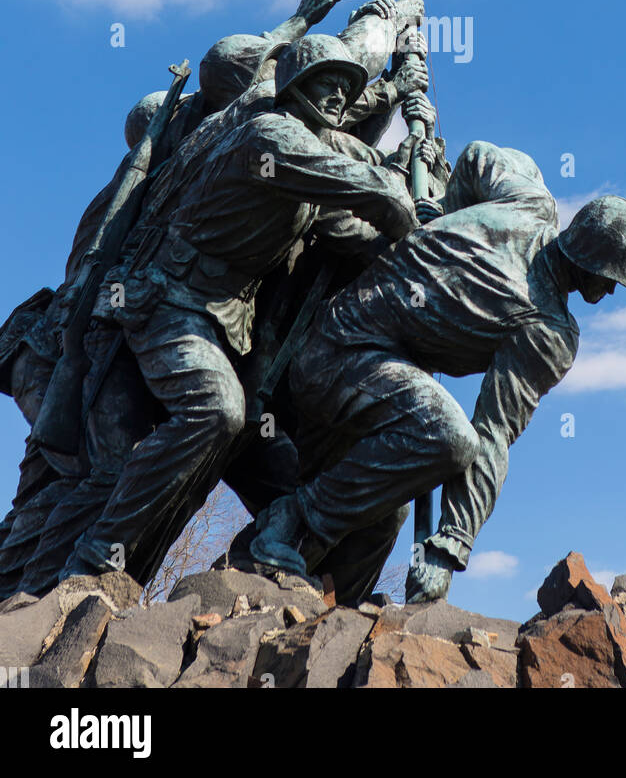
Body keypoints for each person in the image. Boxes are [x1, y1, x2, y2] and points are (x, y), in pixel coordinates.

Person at [54, 34, 424, 588]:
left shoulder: (304, 170)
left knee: (306, 486)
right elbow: (368, 190)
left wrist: (423, 200)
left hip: (235, 340)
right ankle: (94, 555)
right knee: (215, 411)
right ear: (295, 84)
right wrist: (399, 197)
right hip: (173, 304)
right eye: (326, 81)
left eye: (346, 87)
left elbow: (358, 234)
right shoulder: (269, 135)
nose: (338, 95)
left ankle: (275, 575)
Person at [249, 142, 626, 605]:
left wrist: (446, 214)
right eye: (612, 278)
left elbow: (478, 157)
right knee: (448, 438)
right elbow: (491, 434)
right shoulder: (547, 331)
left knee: (385, 517)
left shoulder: (528, 198)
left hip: (363, 367)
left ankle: (321, 606)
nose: (611, 292)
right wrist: (451, 545)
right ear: (589, 257)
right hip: (340, 352)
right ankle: (292, 519)